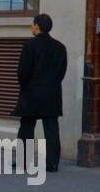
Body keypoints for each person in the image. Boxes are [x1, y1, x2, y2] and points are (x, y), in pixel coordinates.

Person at [13, 13, 67, 173]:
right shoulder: (60, 47)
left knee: (27, 126)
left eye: (32, 24)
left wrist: (24, 86)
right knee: (51, 129)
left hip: (32, 93)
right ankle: (52, 163)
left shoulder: (29, 45)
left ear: (37, 26)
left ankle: (23, 161)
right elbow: (61, 72)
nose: (31, 27)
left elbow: (23, 72)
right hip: (52, 93)